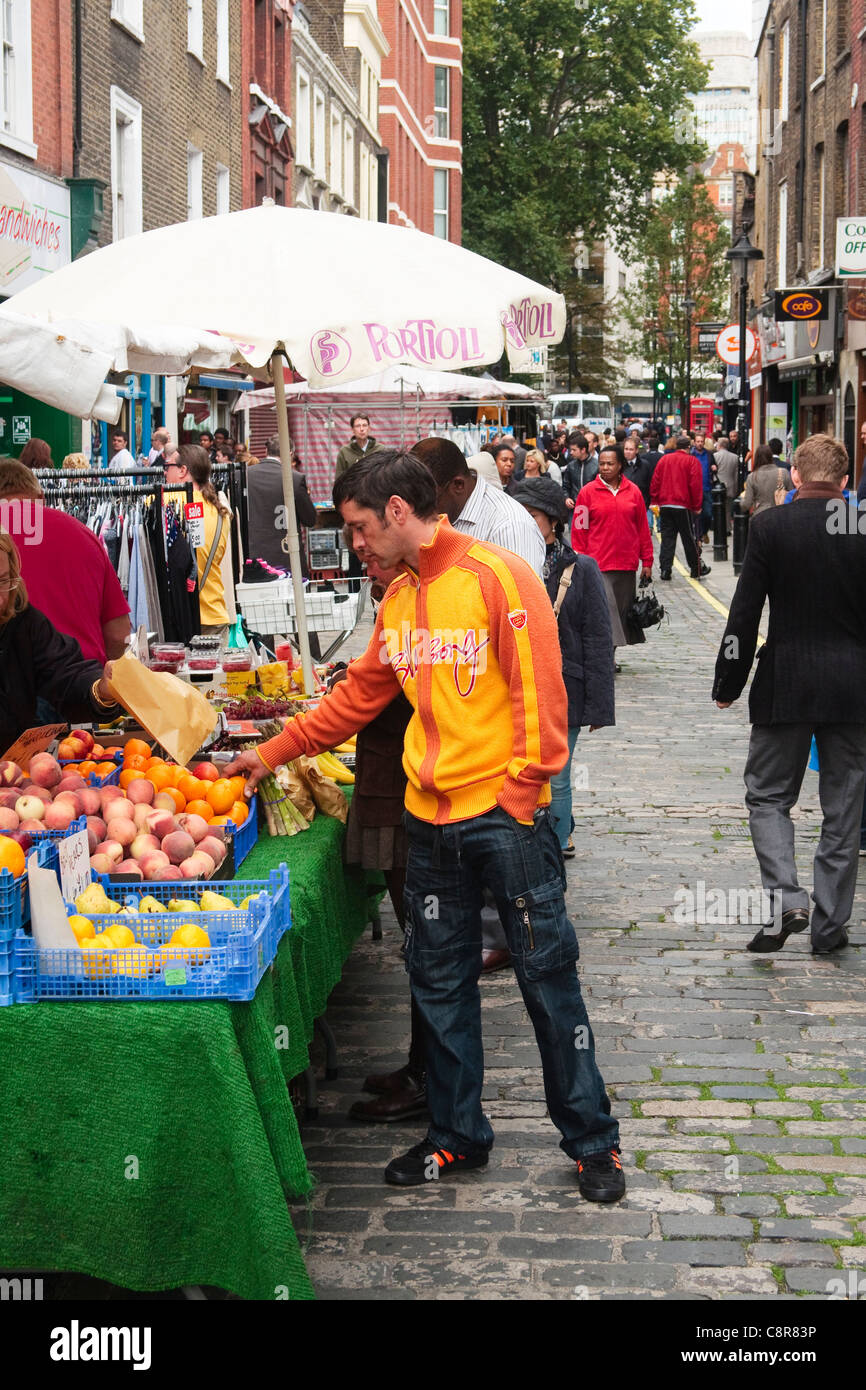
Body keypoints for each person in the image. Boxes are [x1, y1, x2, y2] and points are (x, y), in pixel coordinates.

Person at [225, 450, 625, 1201]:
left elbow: (542, 697)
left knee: (548, 982)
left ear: (399, 512)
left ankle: (591, 1141)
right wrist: (272, 751)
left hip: (505, 823)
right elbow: (362, 695)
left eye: (359, 528)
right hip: (429, 823)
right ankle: (454, 1136)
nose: (356, 545)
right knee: (439, 985)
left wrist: (520, 794)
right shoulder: (400, 598)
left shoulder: (499, 576)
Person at [713, 435, 866, 956]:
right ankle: (829, 928)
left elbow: (745, 611)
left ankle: (786, 898)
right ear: (843, 482)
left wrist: (728, 682)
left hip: (787, 682)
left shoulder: (769, 525)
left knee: (769, 796)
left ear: (795, 476)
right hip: (852, 686)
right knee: (843, 808)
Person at [511, 475, 614, 857]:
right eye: (518, 515)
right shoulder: (506, 564)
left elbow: (598, 639)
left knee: (558, 775)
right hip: (516, 687)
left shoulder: (582, 569)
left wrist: (599, 705)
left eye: (532, 516)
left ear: (553, 521)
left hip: (566, 688)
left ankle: (552, 850)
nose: (525, 523)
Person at [0, 531, 121, 753]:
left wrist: (101, 690)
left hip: (15, 775)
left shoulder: (24, 622)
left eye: (3, 581)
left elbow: (65, 673)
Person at [0, 459, 131, 664]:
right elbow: (118, 633)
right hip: (84, 678)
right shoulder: (83, 534)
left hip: (15, 684)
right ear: (41, 497)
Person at [413, 436, 545, 578]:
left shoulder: (510, 526)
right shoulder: (448, 513)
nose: (421, 510)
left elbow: (522, 597)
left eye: (429, 500)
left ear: (458, 485)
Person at [572, 442, 653, 660]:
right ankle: (605, 656)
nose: (605, 467)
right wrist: (580, 557)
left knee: (621, 614)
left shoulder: (634, 492)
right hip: (598, 564)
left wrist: (647, 561)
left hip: (626, 564)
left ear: (620, 466)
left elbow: (643, 529)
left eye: (610, 464)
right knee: (606, 612)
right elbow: (579, 528)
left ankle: (610, 654)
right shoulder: (587, 493)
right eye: (602, 464)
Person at [164, 444, 231, 641]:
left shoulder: (164, 502)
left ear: (183, 470)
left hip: (180, 617)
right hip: (215, 613)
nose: (165, 472)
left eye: (168, 466)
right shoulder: (221, 511)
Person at [246, 433, 317, 577]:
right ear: (290, 453)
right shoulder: (295, 478)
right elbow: (310, 519)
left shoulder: (245, 474)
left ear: (266, 452)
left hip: (252, 556)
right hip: (286, 556)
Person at [650, 435, 710, 581]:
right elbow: (695, 486)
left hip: (666, 504)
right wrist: (697, 506)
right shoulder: (691, 461)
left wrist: (655, 500)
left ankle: (665, 570)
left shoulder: (664, 460)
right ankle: (695, 569)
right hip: (683, 505)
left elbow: (655, 481)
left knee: (667, 538)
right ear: (688, 447)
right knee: (688, 538)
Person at [740, 442, 792, 516]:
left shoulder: (752, 477)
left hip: (760, 516)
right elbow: (792, 495)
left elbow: (746, 504)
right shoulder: (784, 473)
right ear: (770, 456)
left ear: (756, 458)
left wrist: (740, 501)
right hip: (780, 515)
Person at [336, 413, 381, 481]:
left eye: (364, 425)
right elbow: (339, 481)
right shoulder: (344, 452)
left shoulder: (380, 449)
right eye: (358, 426)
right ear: (353, 430)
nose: (361, 429)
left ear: (369, 428)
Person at [690, 431, 714, 544]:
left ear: (704, 442)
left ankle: (704, 532)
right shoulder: (690, 455)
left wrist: (715, 467)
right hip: (694, 490)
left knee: (708, 514)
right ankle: (698, 537)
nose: (700, 443)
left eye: (701, 441)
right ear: (694, 442)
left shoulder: (709, 454)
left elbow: (714, 467)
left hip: (707, 488)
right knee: (696, 516)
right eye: (698, 441)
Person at [713, 435, 740, 532]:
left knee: (717, 508)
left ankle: (719, 528)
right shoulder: (735, 457)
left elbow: (713, 473)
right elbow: (736, 475)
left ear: (719, 445)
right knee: (728, 509)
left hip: (718, 486)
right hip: (731, 485)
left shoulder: (715, 456)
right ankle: (728, 528)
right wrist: (736, 488)